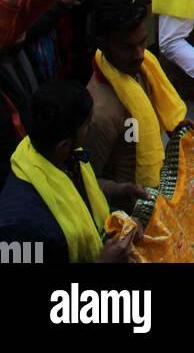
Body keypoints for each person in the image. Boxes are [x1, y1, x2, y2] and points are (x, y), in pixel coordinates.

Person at [0, 79, 139, 263]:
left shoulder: (64, 156)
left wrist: (119, 194)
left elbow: (80, 201)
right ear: (64, 145)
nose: (91, 128)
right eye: (87, 125)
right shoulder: (19, 226)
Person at [87, 0, 186, 189]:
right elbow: (86, 181)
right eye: (128, 47)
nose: (140, 55)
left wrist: (176, 126)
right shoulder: (101, 114)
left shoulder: (142, 67)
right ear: (102, 44)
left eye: (143, 43)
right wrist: (121, 191)